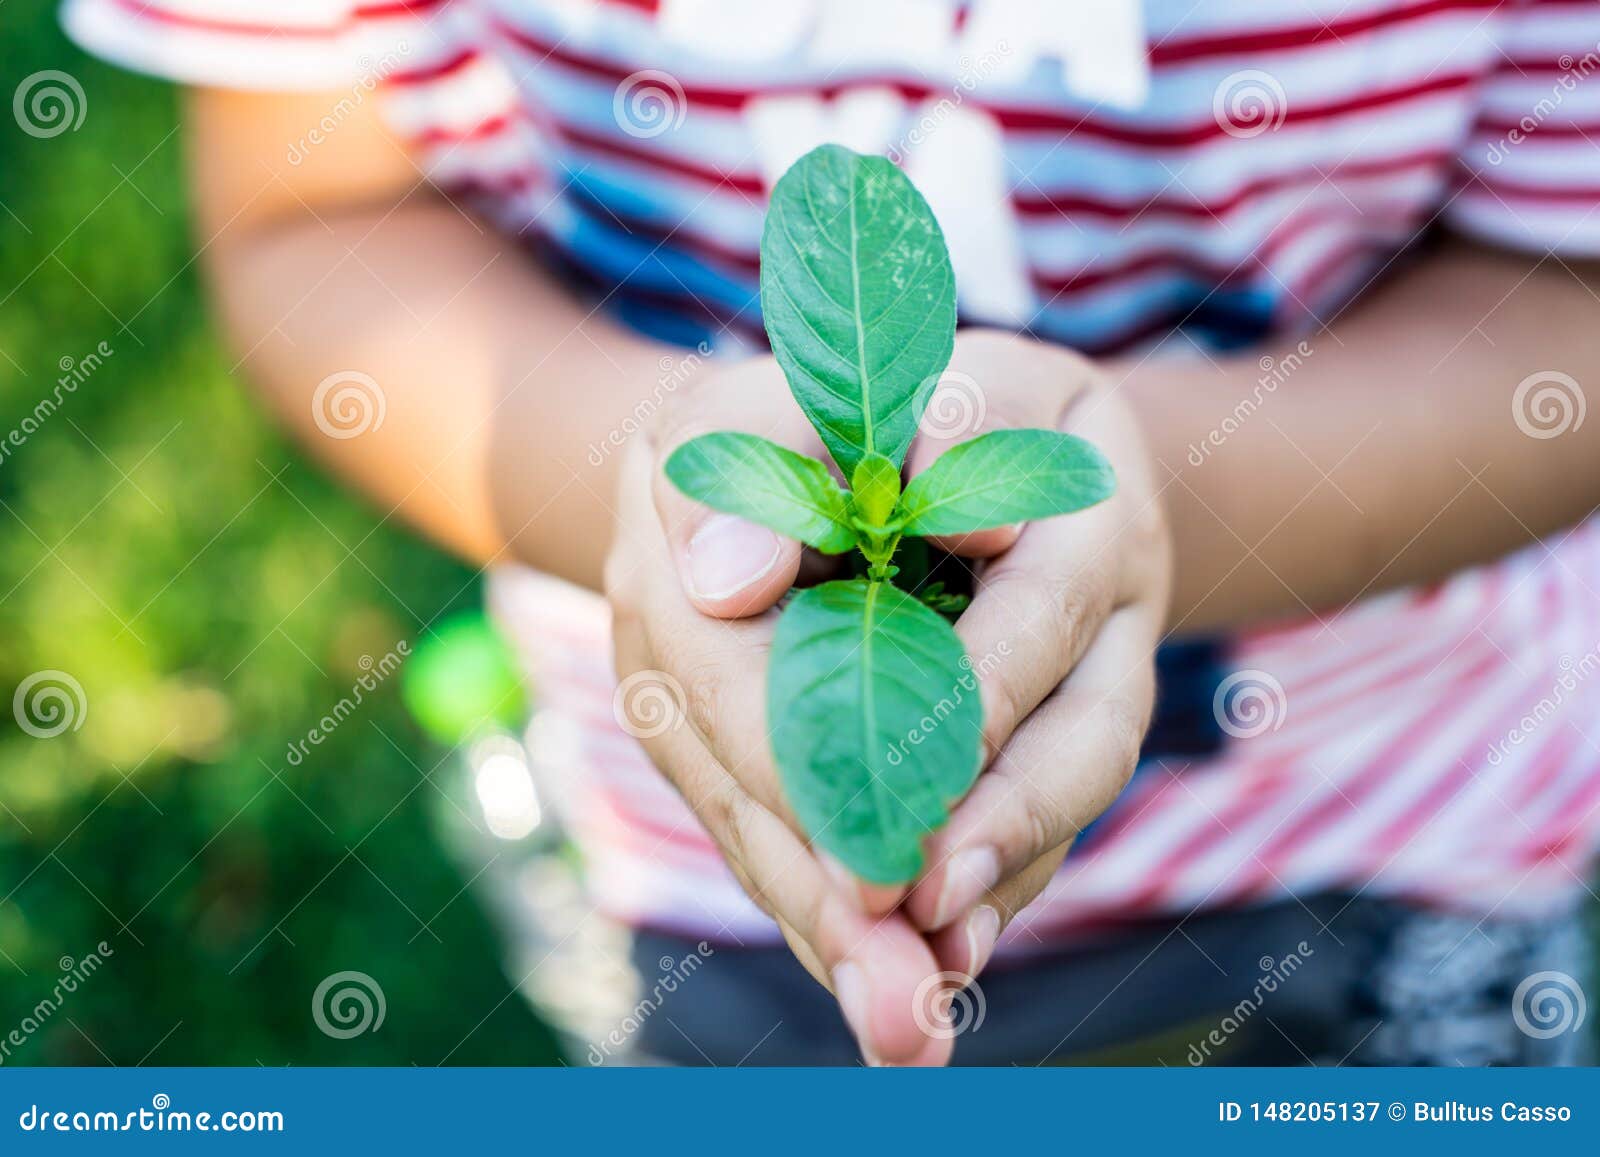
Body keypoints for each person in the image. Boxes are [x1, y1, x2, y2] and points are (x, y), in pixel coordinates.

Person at [63, 0, 1600, 1066]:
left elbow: (1564, 316)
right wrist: (639, 479)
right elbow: (318, 211)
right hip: (699, 853)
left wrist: (1158, 502)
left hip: (1389, 831)